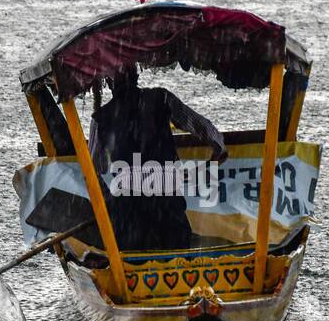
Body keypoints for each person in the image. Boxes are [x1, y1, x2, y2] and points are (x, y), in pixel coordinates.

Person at [88, 68, 226, 250]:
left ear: (110, 83)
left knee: (134, 255)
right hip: (165, 202)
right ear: (136, 76)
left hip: (129, 209)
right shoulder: (161, 99)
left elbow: (95, 169)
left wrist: (109, 200)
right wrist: (218, 148)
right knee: (176, 252)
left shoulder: (101, 118)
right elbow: (204, 127)